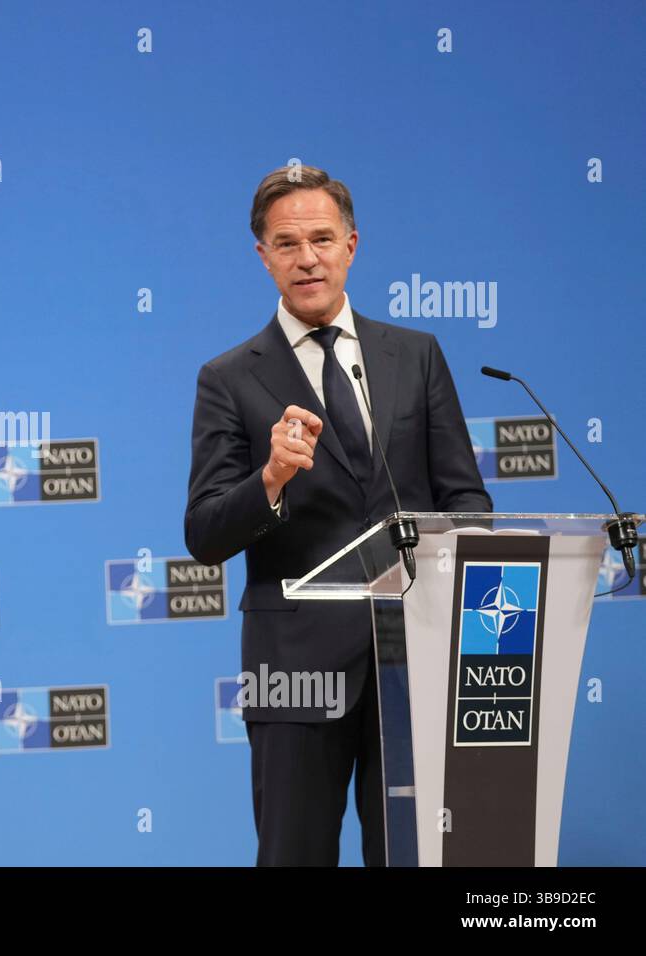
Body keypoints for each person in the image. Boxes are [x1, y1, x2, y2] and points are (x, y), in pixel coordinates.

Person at [184, 164, 492, 866]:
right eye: (287, 244)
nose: (308, 258)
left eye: (322, 238)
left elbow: (466, 500)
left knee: (416, 856)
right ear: (262, 256)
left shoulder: (414, 356)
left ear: (352, 245)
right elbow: (203, 532)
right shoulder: (230, 378)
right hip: (295, 671)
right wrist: (270, 479)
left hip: (414, 660)